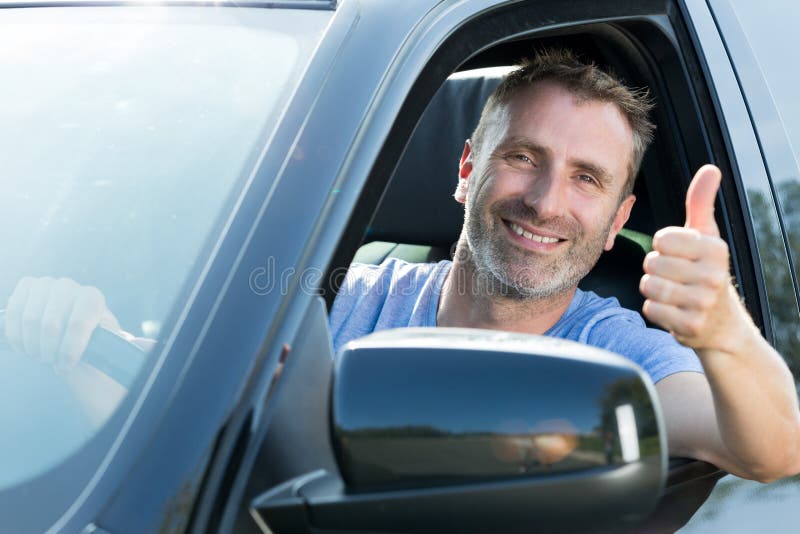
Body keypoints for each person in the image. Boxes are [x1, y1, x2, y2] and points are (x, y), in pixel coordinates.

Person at [7, 49, 800, 482]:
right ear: (466, 169)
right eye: (524, 157)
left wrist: (725, 333)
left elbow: (772, 452)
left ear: (619, 220)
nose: (548, 200)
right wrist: (81, 334)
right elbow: (190, 427)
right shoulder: (354, 298)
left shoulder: (621, 350)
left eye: (588, 179)